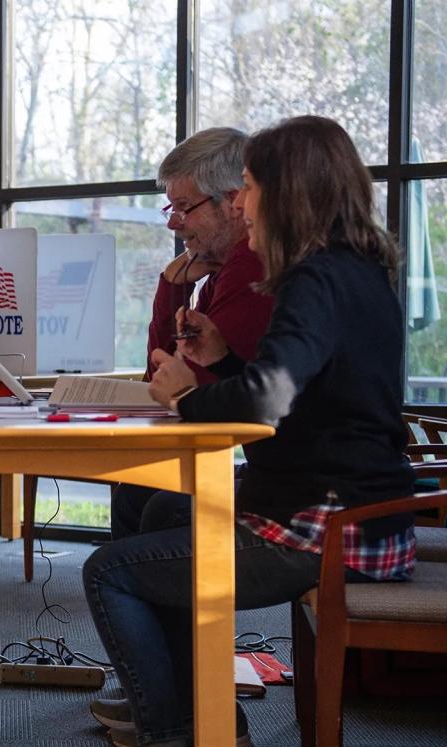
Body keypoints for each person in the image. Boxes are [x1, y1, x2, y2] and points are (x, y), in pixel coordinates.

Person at [81, 115, 416, 747]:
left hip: (324, 529)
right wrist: (226, 360)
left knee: (111, 571)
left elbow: (269, 400)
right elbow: (294, 394)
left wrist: (188, 395)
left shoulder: (314, 279)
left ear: (286, 193)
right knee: (163, 522)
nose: (240, 203)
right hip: (354, 512)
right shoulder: (352, 270)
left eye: (251, 188)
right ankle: (195, 732)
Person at [112, 127, 273, 541]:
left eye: (184, 207)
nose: (173, 223)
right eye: (171, 207)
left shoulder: (252, 266)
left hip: (306, 491)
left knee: (148, 509)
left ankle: (144, 582)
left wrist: (173, 291)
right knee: (139, 493)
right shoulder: (223, 271)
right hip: (282, 471)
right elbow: (164, 377)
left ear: (233, 200)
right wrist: (172, 283)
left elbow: (187, 386)